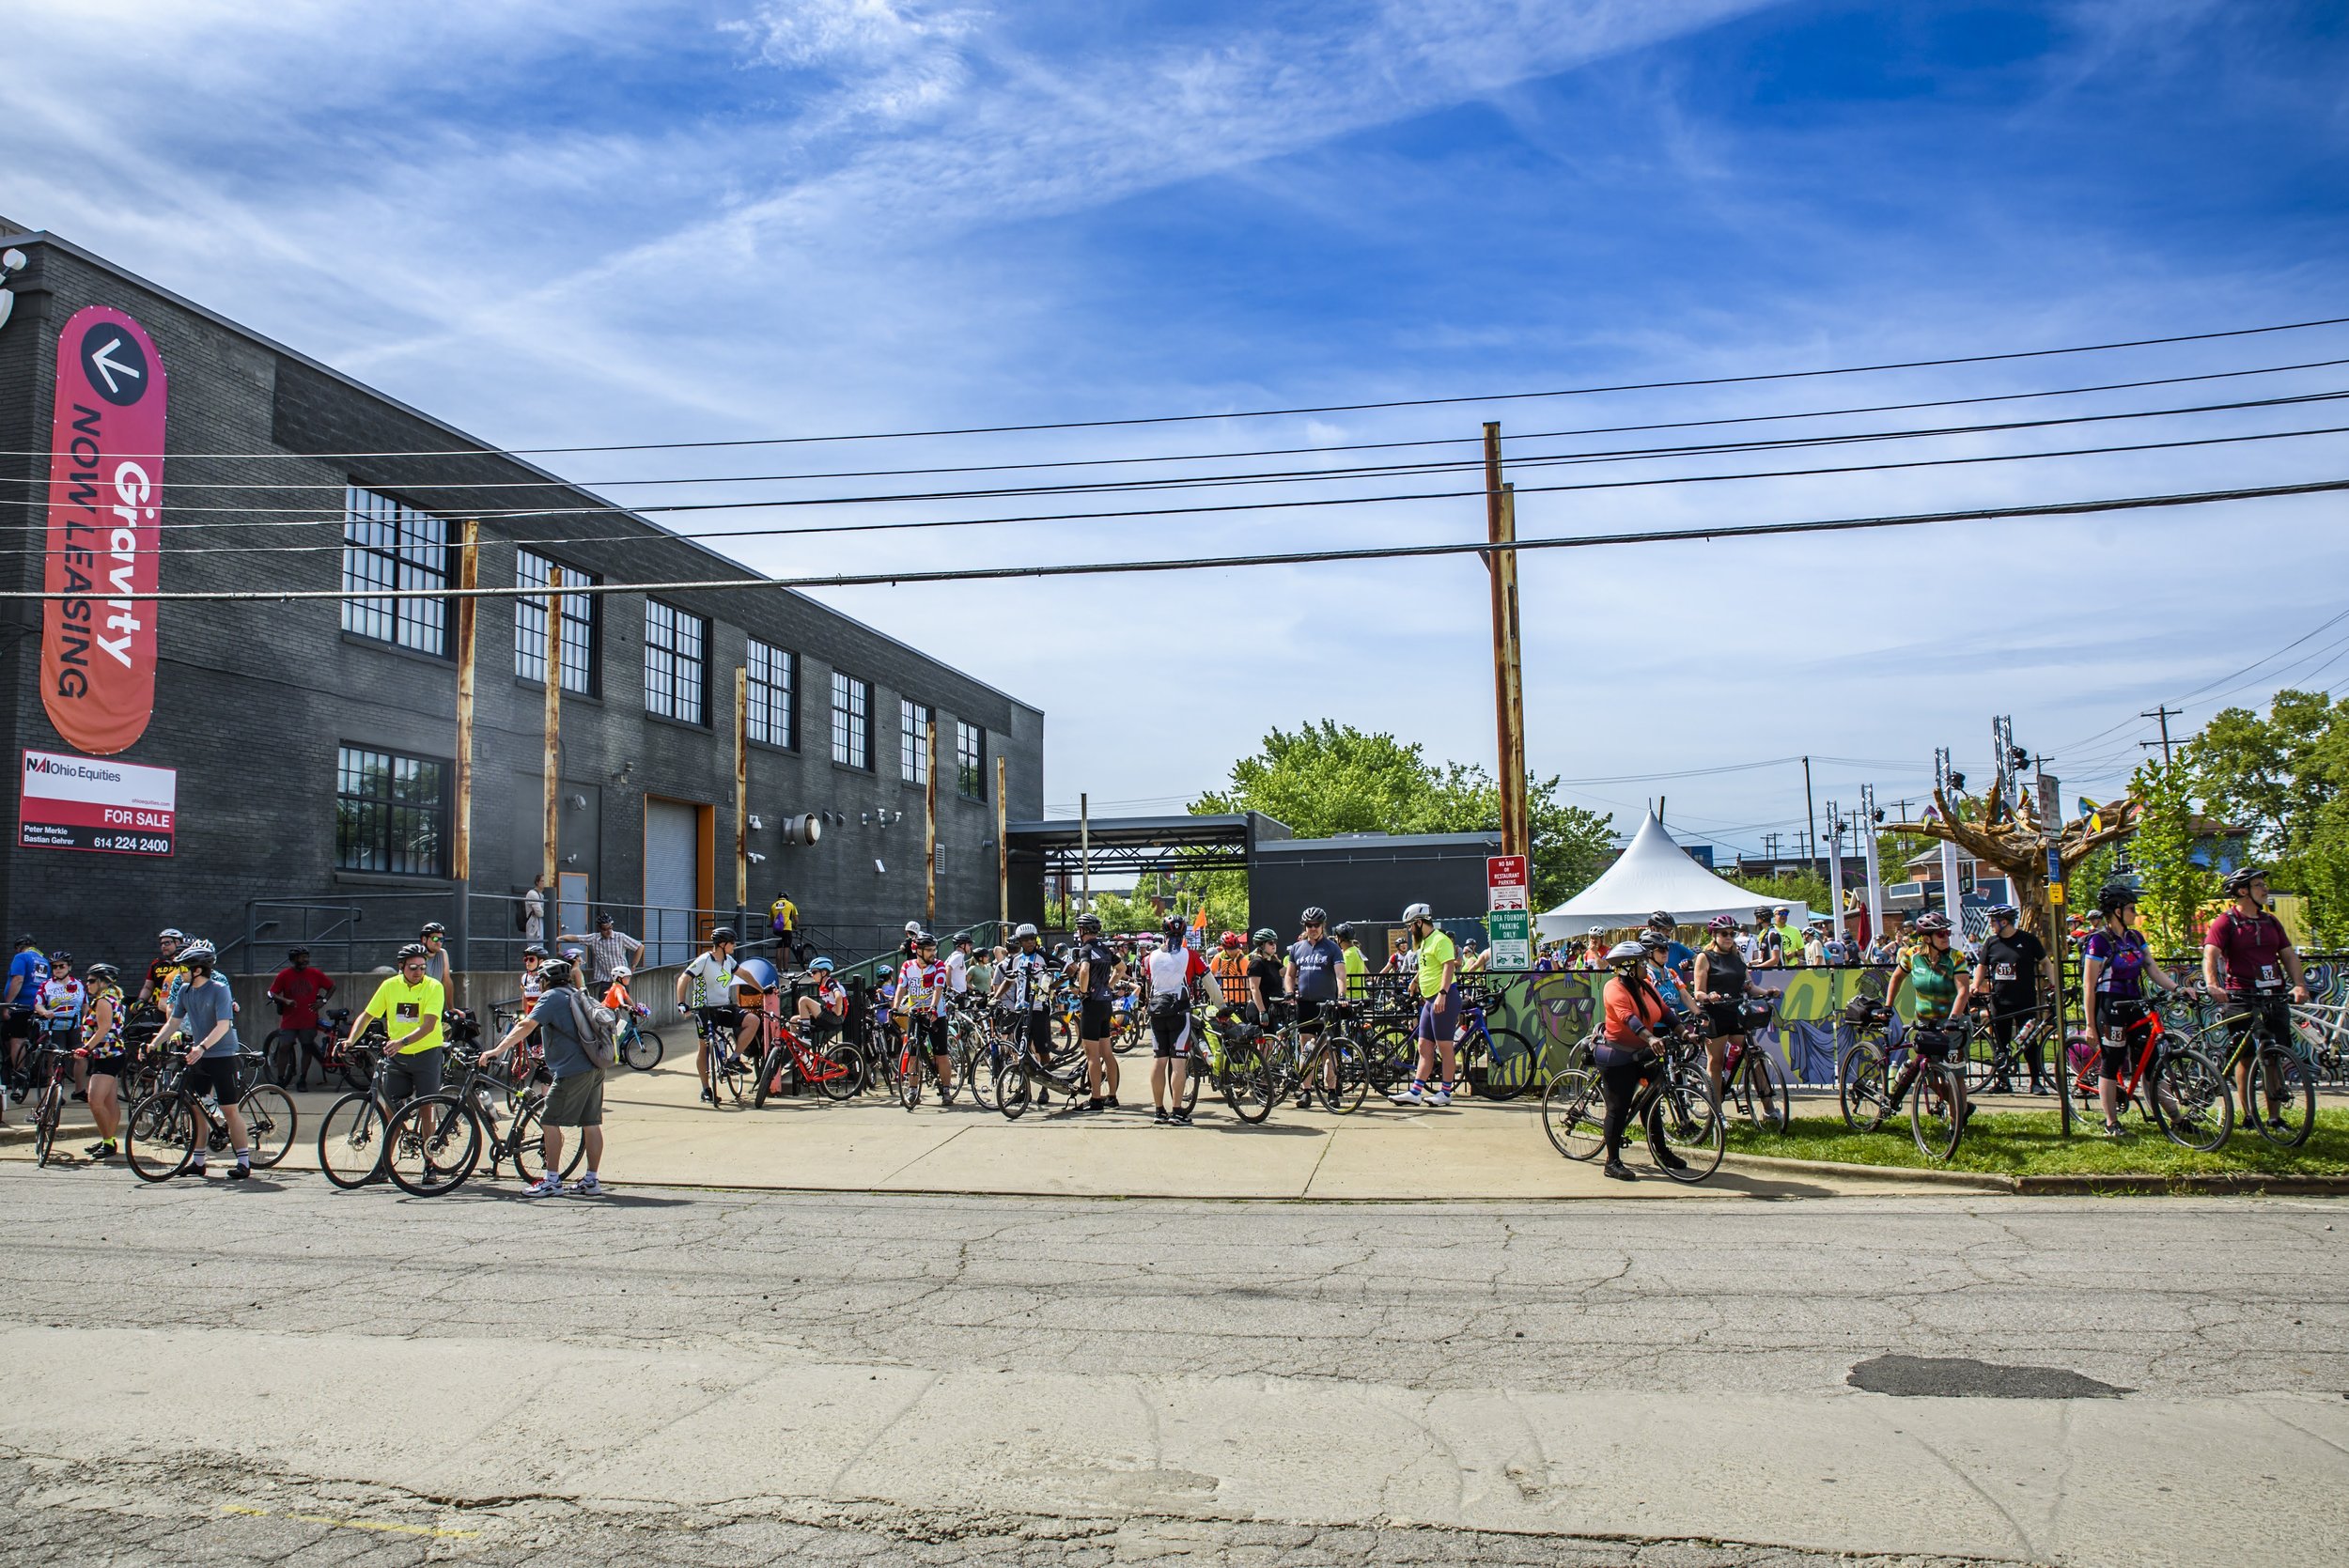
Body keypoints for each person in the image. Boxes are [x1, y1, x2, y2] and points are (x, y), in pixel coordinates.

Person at [485, 956, 607, 1197]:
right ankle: (591, 1180)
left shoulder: (551, 997)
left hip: (572, 1070)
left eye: (540, 979)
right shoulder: (576, 994)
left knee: (549, 1121)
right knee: (591, 1123)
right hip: (594, 1065)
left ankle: (552, 1181)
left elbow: (526, 1025)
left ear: (545, 980)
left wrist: (496, 1050)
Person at [2202, 865, 2310, 1132]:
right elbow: (2210, 954)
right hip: (2241, 995)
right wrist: (2213, 985)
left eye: (2264, 884)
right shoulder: (2226, 922)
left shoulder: (2271, 921)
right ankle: (2250, 1116)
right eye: (2259, 885)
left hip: (2273, 994)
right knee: (2247, 1057)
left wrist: (2299, 984)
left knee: (2273, 1054)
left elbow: (2288, 955)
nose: (2265, 889)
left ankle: (2274, 1118)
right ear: (2243, 891)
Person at [2081, 882, 2185, 1137]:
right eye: (2131, 908)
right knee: (2112, 1061)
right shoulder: (2099, 941)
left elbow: (2153, 970)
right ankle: (2111, 1123)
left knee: (2151, 1062)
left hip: (2135, 1003)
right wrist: (2090, 1024)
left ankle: (2176, 1119)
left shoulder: (2135, 938)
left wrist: (2178, 989)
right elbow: (2088, 985)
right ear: (2117, 911)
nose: (2135, 913)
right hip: (2111, 1005)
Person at [156, 939, 255, 1180]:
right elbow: (173, 1022)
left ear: (197, 970)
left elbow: (223, 1025)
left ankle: (243, 1161)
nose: (179, 972)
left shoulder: (219, 989)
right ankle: (198, 1162)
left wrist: (201, 1047)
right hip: (200, 1054)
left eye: (183, 968)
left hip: (221, 1054)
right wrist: (153, 1043)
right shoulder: (184, 990)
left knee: (229, 1109)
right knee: (196, 1108)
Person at [1593, 939, 1686, 1183]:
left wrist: (1685, 1033)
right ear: (1628, 967)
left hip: (1642, 1052)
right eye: (1642, 962)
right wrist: (1650, 1037)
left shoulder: (1646, 986)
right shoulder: (1614, 988)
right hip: (1617, 1055)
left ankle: (1661, 1152)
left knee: (1651, 1102)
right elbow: (1628, 1018)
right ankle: (1612, 1162)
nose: (1646, 966)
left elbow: (1665, 1012)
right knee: (1618, 1108)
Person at [1882, 911, 1973, 1126]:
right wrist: (1888, 1006)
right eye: (1941, 933)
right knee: (1929, 1074)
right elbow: (1896, 978)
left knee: (1956, 1074)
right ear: (1926, 938)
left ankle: (1956, 1125)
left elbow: (1963, 990)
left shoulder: (1956, 958)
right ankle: (1961, 1106)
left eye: (1947, 932)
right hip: (1926, 1024)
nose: (1946, 937)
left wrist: (1954, 1018)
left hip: (1954, 1024)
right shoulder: (1912, 955)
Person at [344, 941, 449, 1116]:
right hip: (398, 1055)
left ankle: (429, 1135)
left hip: (427, 1053)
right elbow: (368, 1015)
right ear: (401, 966)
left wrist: (402, 1042)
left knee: (426, 1106)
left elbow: (429, 1025)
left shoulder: (434, 987)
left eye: (423, 967)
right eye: (413, 967)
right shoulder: (389, 985)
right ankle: (391, 1135)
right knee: (391, 1107)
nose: (418, 972)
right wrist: (350, 1040)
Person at [1971, 904, 2050, 1094]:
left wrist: (2054, 984)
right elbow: (1982, 966)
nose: (1991, 925)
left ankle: (2036, 1081)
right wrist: (1975, 984)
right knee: (2001, 1043)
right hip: (2000, 1000)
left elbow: (2045, 962)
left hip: (2025, 1000)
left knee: (2029, 1041)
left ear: (2004, 922)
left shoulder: (2028, 940)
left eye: (1993, 921)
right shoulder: (1991, 942)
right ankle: (2003, 1081)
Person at [1388, 903, 1460, 1107]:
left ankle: (1445, 1093)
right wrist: (1415, 980)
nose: (1410, 930)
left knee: (1445, 1046)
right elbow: (1428, 966)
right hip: (1429, 1000)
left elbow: (1448, 966)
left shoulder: (1440, 940)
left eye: (1411, 926)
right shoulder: (1426, 942)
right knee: (1424, 1046)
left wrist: (1443, 994)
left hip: (1443, 998)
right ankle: (1415, 1092)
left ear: (1419, 923)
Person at [1691, 914, 1762, 1109]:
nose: (1729, 937)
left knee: (1754, 1054)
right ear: (1714, 935)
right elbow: (1698, 992)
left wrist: (1768, 992)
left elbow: (1750, 986)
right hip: (1715, 1015)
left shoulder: (1737, 956)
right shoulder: (1705, 957)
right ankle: (1716, 1111)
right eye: (1724, 934)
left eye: (1732, 933)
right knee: (1716, 1062)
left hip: (1736, 1013)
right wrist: (1709, 996)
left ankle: (1769, 1108)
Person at [1145, 917, 1209, 1125]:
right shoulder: (1190, 955)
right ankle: (1177, 1111)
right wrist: (1222, 1005)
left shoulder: (1150, 957)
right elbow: (1209, 982)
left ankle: (1158, 1111)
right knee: (1178, 1062)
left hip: (1157, 1011)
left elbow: (1149, 982)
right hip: (1179, 1012)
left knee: (1159, 1060)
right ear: (1183, 934)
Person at [677, 928, 748, 1105]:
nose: (734, 945)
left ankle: (734, 1058)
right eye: (732, 942)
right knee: (704, 1046)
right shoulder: (704, 960)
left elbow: (744, 974)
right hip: (704, 1009)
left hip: (723, 1006)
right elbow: (683, 979)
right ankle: (706, 1089)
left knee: (752, 1020)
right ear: (723, 944)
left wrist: (763, 989)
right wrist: (681, 1002)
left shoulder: (729, 960)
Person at [1285, 908, 1346, 1103]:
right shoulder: (1297, 948)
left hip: (1327, 1005)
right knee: (1306, 1049)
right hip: (1305, 1005)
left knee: (1329, 1051)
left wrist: (1341, 995)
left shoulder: (1332, 948)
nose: (1312, 928)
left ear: (1323, 926)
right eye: (1309, 925)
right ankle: (1306, 1091)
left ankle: (1332, 1092)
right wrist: (1289, 992)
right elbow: (1290, 974)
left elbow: (1340, 974)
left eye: (1316, 925)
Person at [894, 931, 957, 1107]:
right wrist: (895, 1007)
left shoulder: (938, 965)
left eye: (934, 949)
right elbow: (901, 987)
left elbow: (938, 988)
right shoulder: (907, 966)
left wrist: (933, 1007)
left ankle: (946, 1091)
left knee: (941, 1055)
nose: (933, 953)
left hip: (935, 1014)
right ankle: (913, 1091)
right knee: (912, 1053)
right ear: (919, 951)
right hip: (915, 1013)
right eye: (929, 950)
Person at [267, 947, 336, 1089]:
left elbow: (332, 987)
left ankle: (302, 1080)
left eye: (306, 957)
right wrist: (285, 1000)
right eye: (302, 957)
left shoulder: (315, 973)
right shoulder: (284, 975)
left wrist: (323, 1002)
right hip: (289, 1019)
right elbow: (272, 993)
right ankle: (280, 1080)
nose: (305, 960)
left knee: (307, 1048)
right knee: (284, 1047)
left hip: (308, 1018)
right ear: (294, 959)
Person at [1069, 913, 1120, 1111]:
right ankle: (1112, 1097)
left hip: (1092, 1004)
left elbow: (1084, 971)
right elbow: (1121, 968)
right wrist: (1109, 986)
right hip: (1106, 1003)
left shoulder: (1086, 949)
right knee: (1107, 1052)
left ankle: (1096, 1099)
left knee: (1092, 1054)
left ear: (1083, 930)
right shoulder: (1105, 949)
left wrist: (1083, 992)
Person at [79, 963, 127, 1160]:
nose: (87, 984)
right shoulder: (112, 998)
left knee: (95, 1101)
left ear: (103, 982)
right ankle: (109, 1138)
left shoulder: (103, 1001)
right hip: (110, 1055)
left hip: (108, 1056)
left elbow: (104, 1028)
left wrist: (86, 1048)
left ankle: (108, 1142)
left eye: (91, 981)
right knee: (109, 1101)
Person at [36, 954, 86, 1101]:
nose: (58, 969)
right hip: (55, 1026)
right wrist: (44, 1012)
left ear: (69, 967)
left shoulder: (79, 984)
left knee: (80, 1057)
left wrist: (87, 1021)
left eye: (61, 966)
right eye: (54, 966)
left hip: (74, 1025)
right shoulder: (46, 985)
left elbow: (85, 1005)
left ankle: (79, 1091)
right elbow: (38, 1004)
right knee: (56, 1058)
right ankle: (54, 1092)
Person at [4, 935, 51, 1081]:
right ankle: (38, 1073)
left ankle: (19, 1075)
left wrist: (8, 1004)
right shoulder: (44, 960)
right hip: (39, 1005)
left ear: (18, 948)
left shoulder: (21, 957)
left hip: (21, 1005)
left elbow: (18, 979)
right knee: (35, 1040)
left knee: (17, 1039)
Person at [559, 913, 645, 990]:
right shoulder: (594, 938)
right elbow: (575, 938)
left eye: (610, 928)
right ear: (599, 928)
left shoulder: (620, 937)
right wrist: (559, 938)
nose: (609, 931)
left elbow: (639, 946)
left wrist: (633, 966)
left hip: (621, 977)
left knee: (622, 1001)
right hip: (605, 979)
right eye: (605, 929)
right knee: (604, 1001)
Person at [137, 928, 187, 1016]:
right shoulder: (156, 963)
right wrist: (141, 1000)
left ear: (178, 943)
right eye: (161, 944)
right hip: (157, 1009)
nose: (163, 946)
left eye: (167, 943)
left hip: (178, 1009)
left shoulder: (186, 963)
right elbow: (148, 987)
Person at [1334, 922, 1369, 999]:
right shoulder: (1356, 950)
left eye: (1336, 937)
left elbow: (1342, 976)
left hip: (1350, 997)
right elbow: (1365, 970)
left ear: (1340, 939)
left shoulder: (1348, 955)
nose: (1335, 939)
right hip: (1362, 995)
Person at [770, 890, 802, 965]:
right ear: (787, 897)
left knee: (779, 948)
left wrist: (773, 925)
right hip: (787, 929)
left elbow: (771, 921)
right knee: (786, 948)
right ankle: (786, 968)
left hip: (777, 929)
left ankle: (779, 969)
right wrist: (795, 926)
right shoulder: (790, 905)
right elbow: (796, 920)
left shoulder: (773, 905)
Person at [418, 922, 452, 989]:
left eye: (441, 939)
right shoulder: (416, 955)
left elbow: (447, 981)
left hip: (435, 994)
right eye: (435, 939)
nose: (439, 943)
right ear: (424, 939)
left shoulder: (442, 954)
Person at [517, 943, 550, 1010]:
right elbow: (524, 997)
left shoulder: (546, 977)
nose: (527, 962)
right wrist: (524, 1012)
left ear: (541, 961)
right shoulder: (525, 977)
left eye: (531, 959)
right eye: (526, 959)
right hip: (530, 1013)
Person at [945, 933, 974, 1000]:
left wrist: (973, 988)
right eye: (969, 944)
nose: (971, 947)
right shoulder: (958, 956)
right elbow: (948, 968)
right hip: (956, 994)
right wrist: (950, 987)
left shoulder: (956, 955)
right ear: (962, 945)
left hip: (959, 993)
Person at [521, 874, 546, 944]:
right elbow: (539, 913)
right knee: (535, 946)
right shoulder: (532, 893)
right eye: (542, 881)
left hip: (542, 922)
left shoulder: (543, 895)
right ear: (537, 882)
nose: (544, 883)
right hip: (534, 923)